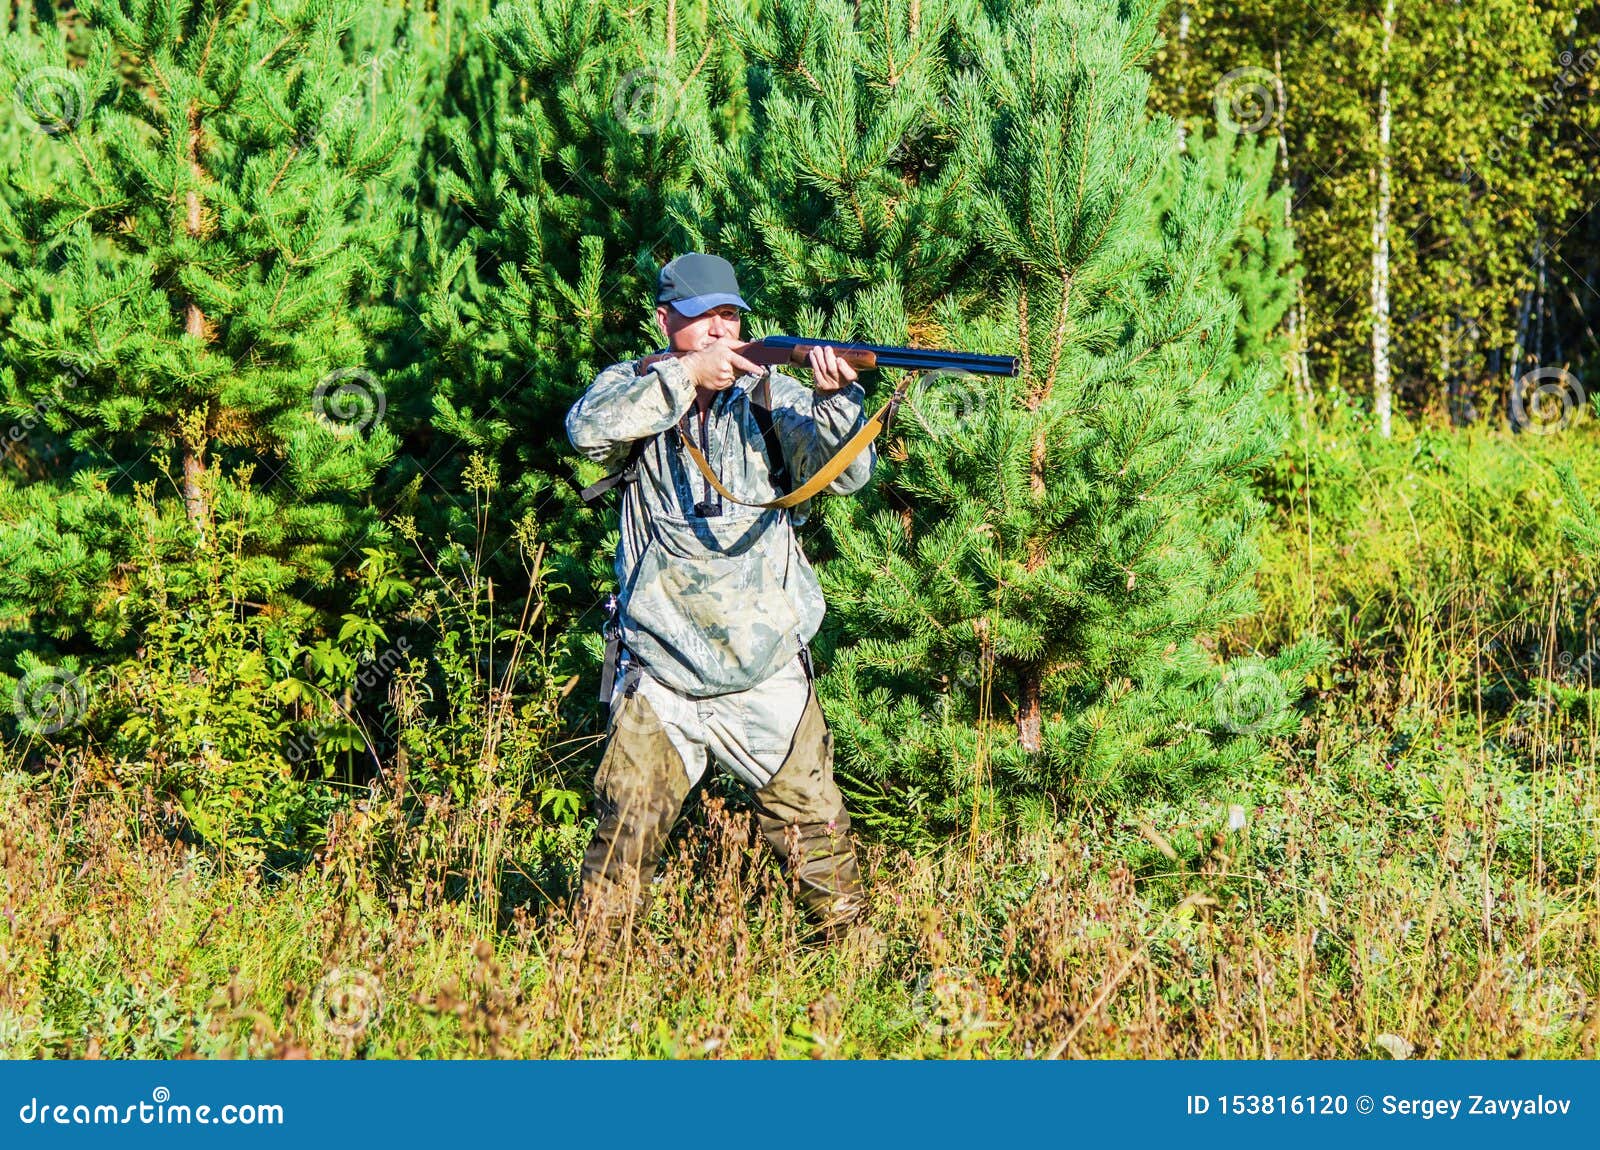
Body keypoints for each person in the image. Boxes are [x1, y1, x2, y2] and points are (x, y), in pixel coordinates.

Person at [565, 252, 875, 942]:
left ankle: (857, 971)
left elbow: (849, 476)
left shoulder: (771, 395)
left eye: (729, 315)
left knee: (817, 843)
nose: (718, 329)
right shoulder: (636, 386)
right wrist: (683, 379)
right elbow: (587, 431)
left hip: (764, 672)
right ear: (665, 321)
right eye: (703, 316)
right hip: (664, 672)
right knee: (623, 843)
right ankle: (582, 987)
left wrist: (834, 401)